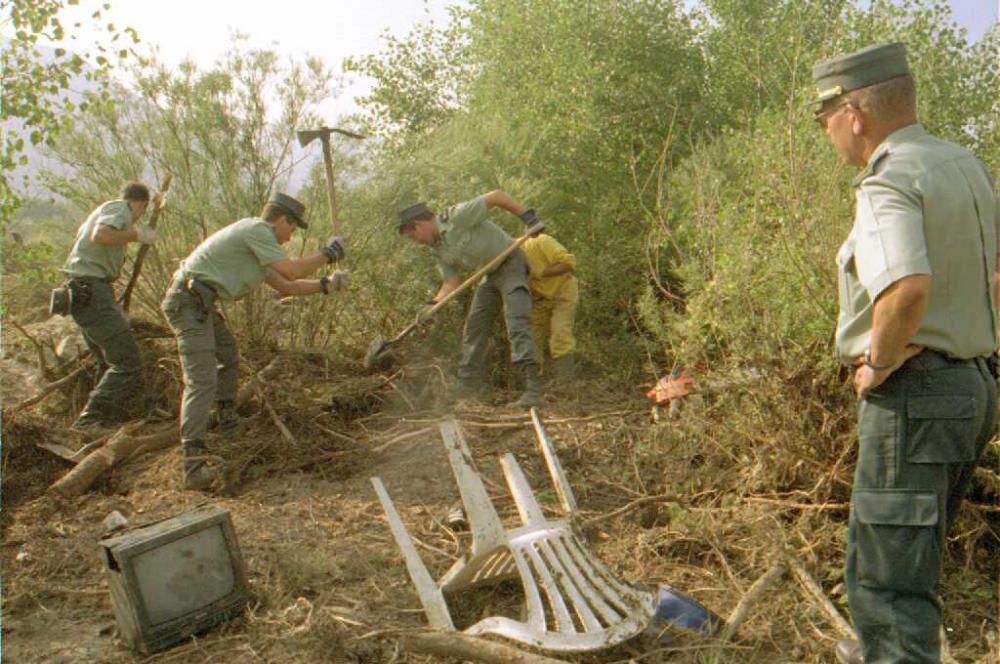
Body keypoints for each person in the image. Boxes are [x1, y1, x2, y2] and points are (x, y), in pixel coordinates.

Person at [812, 42, 999, 664]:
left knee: (888, 586)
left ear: (854, 114)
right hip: (973, 387)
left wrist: (879, 363)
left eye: (825, 120)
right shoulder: (963, 165)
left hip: (916, 397)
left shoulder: (886, 181)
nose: (828, 133)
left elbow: (906, 288)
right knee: (910, 559)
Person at [161, 192, 349, 490]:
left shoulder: (260, 247)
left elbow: (287, 285)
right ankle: (192, 465)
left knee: (228, 357)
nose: (290, 238)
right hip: (188, 301)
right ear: (281, 220)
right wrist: (328, 254)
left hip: (200, 303)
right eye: (292, 228)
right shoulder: (256, 230)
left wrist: (326, 285)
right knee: (201, 379)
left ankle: (227, 422)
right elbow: (291, 269)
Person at [397, 191, 544, 408]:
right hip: (490, 274)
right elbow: (451, 282)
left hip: (511, 262)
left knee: (516, 322)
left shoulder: (457, 216)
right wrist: (433, 305)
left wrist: (528, 217)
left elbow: (497, 196)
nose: (415, 242)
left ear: (419, 225)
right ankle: (468, 384)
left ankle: (533, 390)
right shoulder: (437, 249)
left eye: (412, 236)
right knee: (474, 327)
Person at [60, 181, 158, 431]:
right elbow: (100, 236)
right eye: (142, 213)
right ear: (142, 205)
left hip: (84, 291)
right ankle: (89, 421)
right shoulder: (121, 209)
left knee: (107, 362)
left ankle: (106, 418)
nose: (137, 219)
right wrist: (137, 234)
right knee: (128, 363)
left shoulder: (101, 211)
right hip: (92, 291)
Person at [522, 231, 578, 385]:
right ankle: (533, 386)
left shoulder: (539, 242)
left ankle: (565, 384)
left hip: (563, 291)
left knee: (560, 333)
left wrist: (540, 273)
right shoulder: (505, 262)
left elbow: (569, 264)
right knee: (531, 340)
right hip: (539, 300)